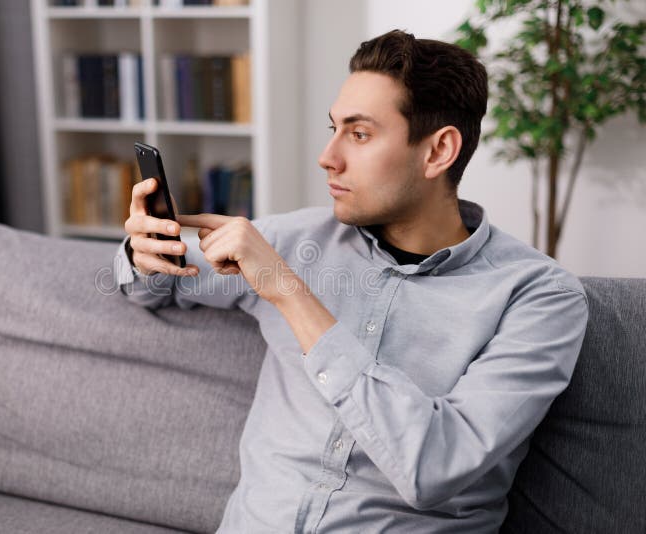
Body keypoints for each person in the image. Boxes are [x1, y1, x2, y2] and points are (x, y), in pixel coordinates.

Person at [114, 30, 588, 533]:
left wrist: (286, 289)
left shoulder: (539, 296)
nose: (328, 156)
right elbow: (147, 285)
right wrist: (143, 252)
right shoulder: (292, 239)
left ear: (438, 152)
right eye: (333, 128)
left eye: (358, 134)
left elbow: (434, 467)